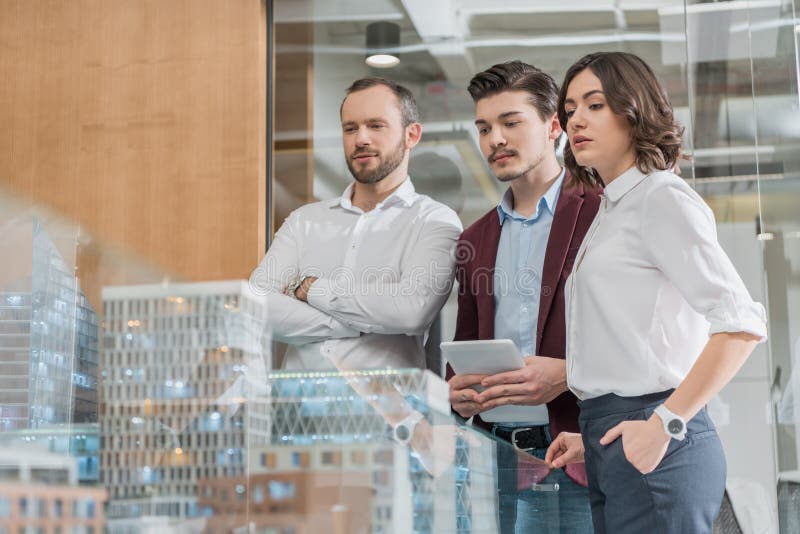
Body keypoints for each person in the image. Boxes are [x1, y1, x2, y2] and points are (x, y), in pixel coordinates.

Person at [544, 52, 768, 534]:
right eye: (570, 109)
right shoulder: (612, 208)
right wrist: (593, 437)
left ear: (634, 110)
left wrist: (664, 423)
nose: (575, 120)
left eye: (595, 105)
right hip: (610, 437)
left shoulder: (659, 197)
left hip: (656, 438)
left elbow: (741, 324)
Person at [446, 61, 600, 533]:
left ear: (554, 126)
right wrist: (457, 392)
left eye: (510, 123)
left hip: (577, 452)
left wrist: (568, 374)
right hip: (496, 461)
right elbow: (465, 343)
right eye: (484, 128)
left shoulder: (602, 210)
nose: (495, 139)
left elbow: (643, 335)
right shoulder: (474, 239)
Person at [250, 77, 462, 370]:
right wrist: (350, 325)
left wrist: (312, 289)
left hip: (387, 400)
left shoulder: (434, 220)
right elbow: (256, 306)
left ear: (411, 135)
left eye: (376, 126)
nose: (361, 138)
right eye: (350, 128)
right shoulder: (304, 221)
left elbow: (411, 311)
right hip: (298, 399)